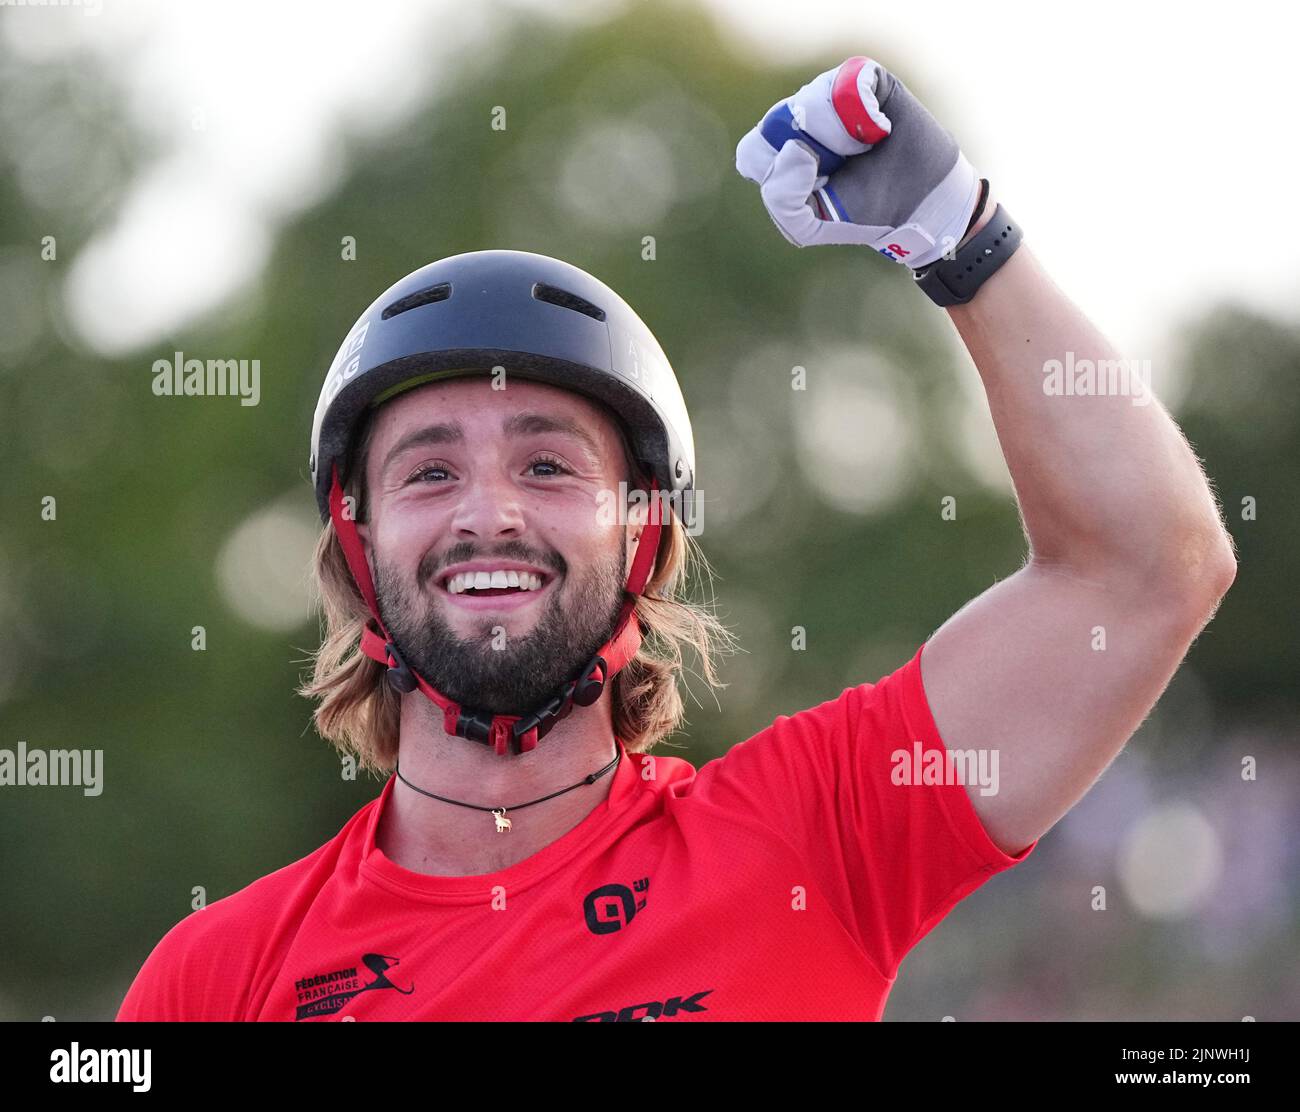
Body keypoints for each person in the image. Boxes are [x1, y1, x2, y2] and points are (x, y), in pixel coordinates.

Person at [116, 56, 1235, 1022]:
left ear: (644, 536)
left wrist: (959, 230)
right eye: (430, 470)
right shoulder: (215, 976)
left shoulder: (811, 837)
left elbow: (1146, 566)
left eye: (548, 463)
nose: (489, 511)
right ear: (357, 546)